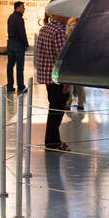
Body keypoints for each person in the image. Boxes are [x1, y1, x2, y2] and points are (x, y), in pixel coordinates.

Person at [34, 11, 71, 151]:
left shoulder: (44, 29)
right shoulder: (60, 31)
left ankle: (53, 141)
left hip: (47, 77)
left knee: (54, 109)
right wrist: (67, 81)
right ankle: (52, 143)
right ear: (57, 14)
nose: (68, 16)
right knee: (57, 110)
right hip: (58, 78)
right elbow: (62, 58)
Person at [5, 1, 28, 94]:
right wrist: (26, 44)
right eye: (23, 7)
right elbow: (22, 32)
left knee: (10, 65)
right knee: (19, 66)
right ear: (18, 8)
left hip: (10, 43)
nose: (24, 9)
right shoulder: (19, 18)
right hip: (18, 45)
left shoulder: (10, 17)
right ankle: (20, 86)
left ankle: (10, 86)